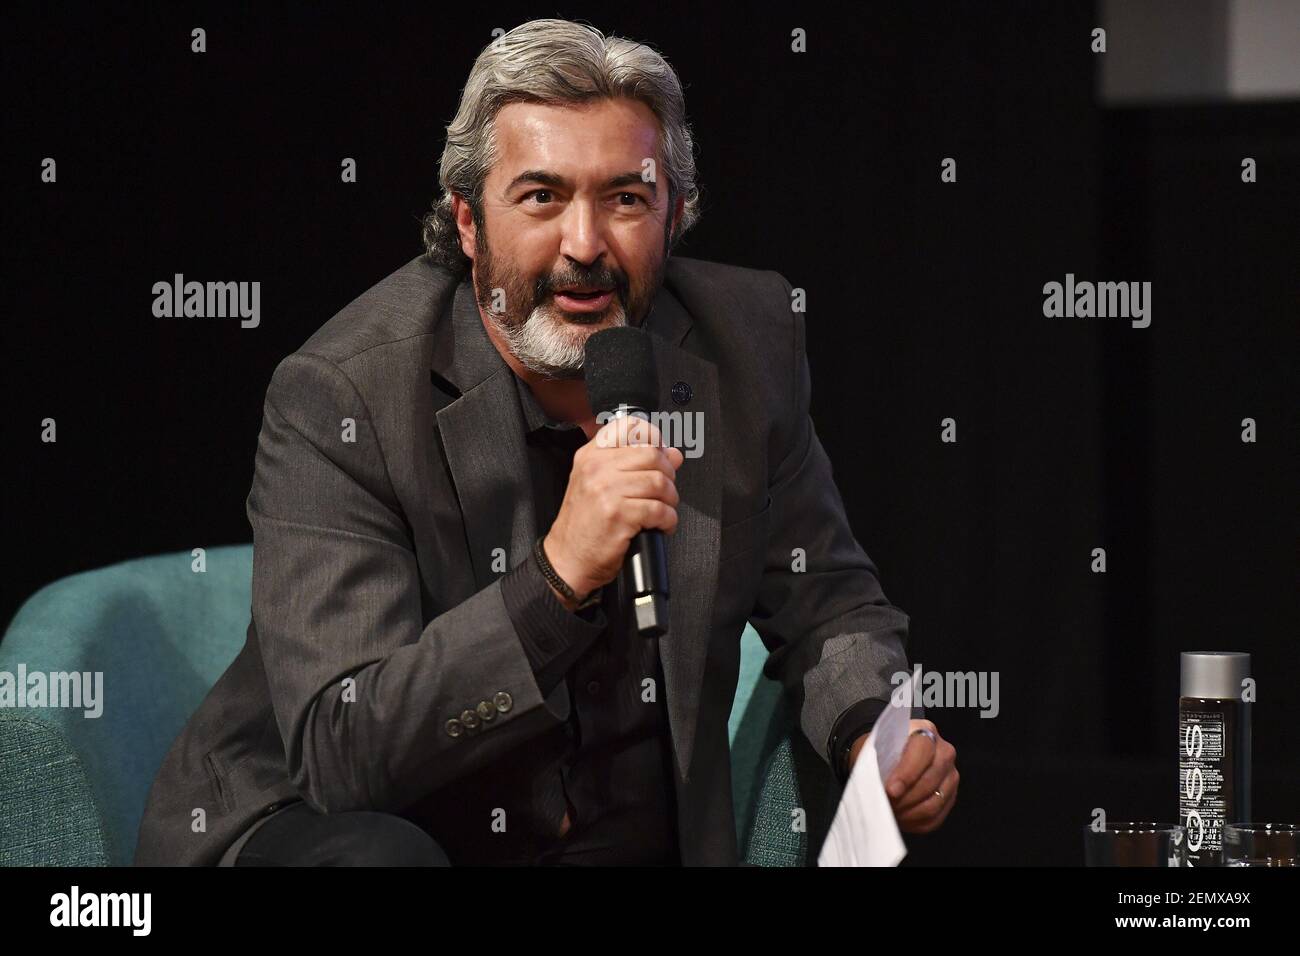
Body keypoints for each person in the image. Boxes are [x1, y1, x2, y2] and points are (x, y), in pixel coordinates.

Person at [134, 17, 957, 868]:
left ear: (675, 214)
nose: (585, 245)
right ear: (466, 223)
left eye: (626, 198)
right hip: (343, 828)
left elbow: (826, 599)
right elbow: (343, 755)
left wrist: (870, 730)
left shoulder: (744, 347)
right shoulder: (342, 394)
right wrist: (558, 577)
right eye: (541, 197)